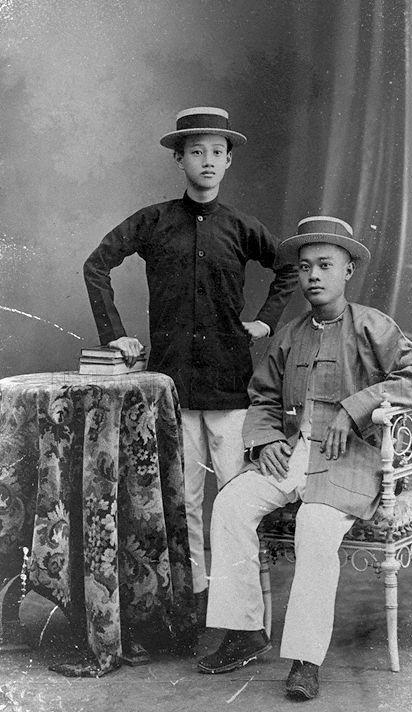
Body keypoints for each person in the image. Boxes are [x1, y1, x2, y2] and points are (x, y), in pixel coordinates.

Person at [197, 216, 412, 699]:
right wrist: (266, 440)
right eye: (305, 266)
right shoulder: (290, 333)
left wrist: (356, 408)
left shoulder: (373, 325)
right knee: (229, 505)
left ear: (347, 271)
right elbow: (263, 395)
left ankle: (305, 660)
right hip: (290, 455)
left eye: (325, 265)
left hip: (349, 461)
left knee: (314, 527)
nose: (312, 275)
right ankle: (245, 629)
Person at [83, 107, 298, 623]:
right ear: (179, 159)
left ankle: (236, 610)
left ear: (228, 163)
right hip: (172, 387)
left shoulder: (243, 228)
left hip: (230, 387)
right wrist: (115, 335)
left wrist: (265, 322)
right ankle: (194, 603)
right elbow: (97, 265)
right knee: (182, 505)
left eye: (216, 152)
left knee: (233, 501)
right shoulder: (154, 221)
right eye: (195, 151)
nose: (207, 161)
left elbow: (287, 270)